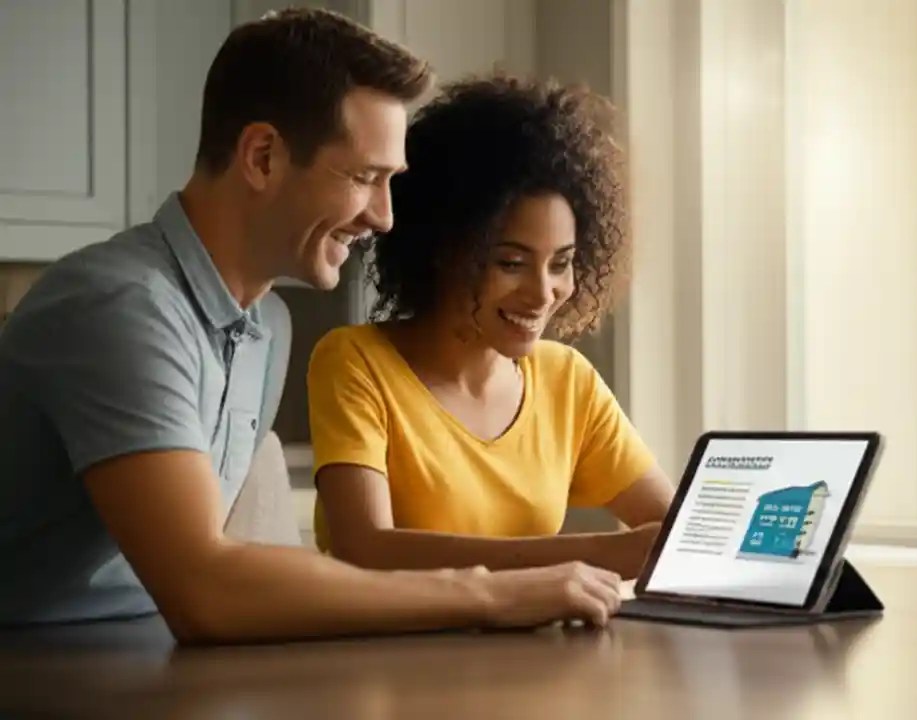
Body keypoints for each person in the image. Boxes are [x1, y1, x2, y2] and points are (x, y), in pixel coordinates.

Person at [0, 8, 623, 642]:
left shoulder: (266, 327)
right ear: (263, 156)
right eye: (363, 177)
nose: (384, 218)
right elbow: (203, 589)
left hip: (146, 662)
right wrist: (489, 591)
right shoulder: (121, 308)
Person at [307, 75, 674, 579]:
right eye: (511, 263)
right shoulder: (356, 362)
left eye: (561, 263)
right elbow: (364, 549)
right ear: (444, 249)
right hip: (387, 657)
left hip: (536, 656)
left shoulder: (567, 380)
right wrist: (594, 554)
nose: (543, 292)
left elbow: (677, 534)